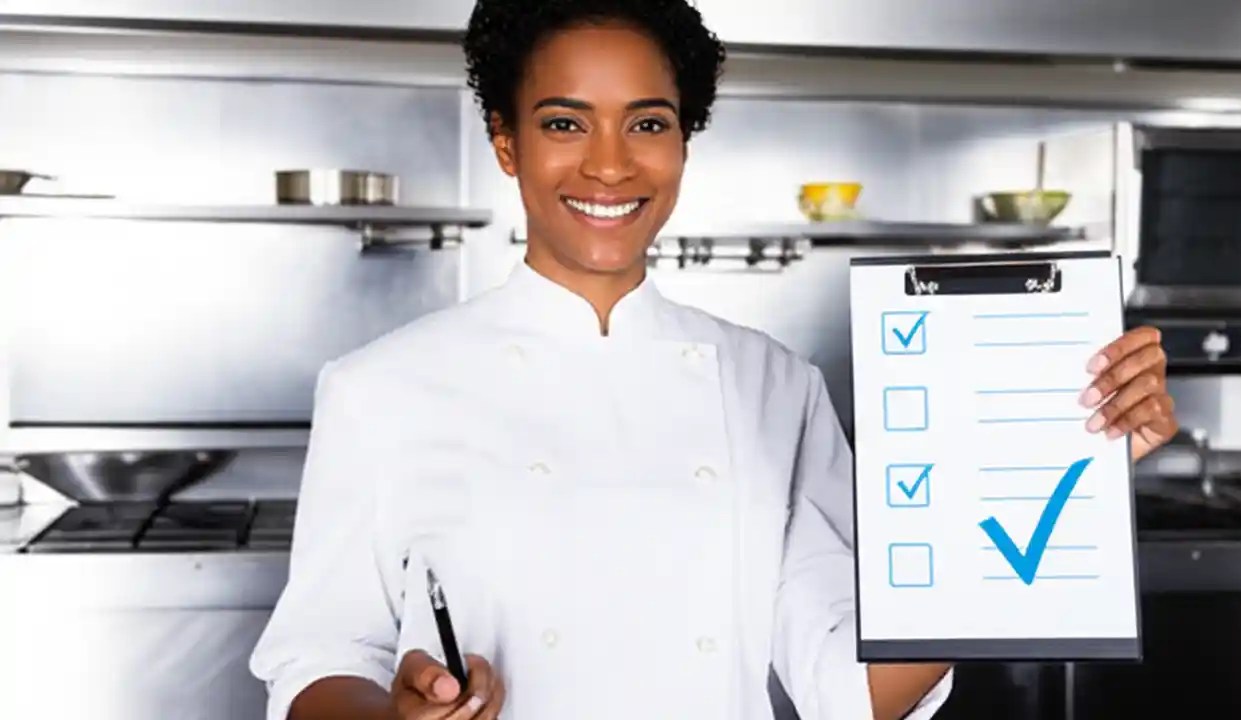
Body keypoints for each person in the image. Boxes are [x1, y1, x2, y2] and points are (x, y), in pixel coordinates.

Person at [248, 0, 1180, 718]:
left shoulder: (775, 385)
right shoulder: (382, 389)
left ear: (684, 142)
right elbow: (318, 664)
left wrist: (1065, 471)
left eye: (648, 123)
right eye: (566, 123)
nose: (610, 165)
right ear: (506, 140)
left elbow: (846, 690)